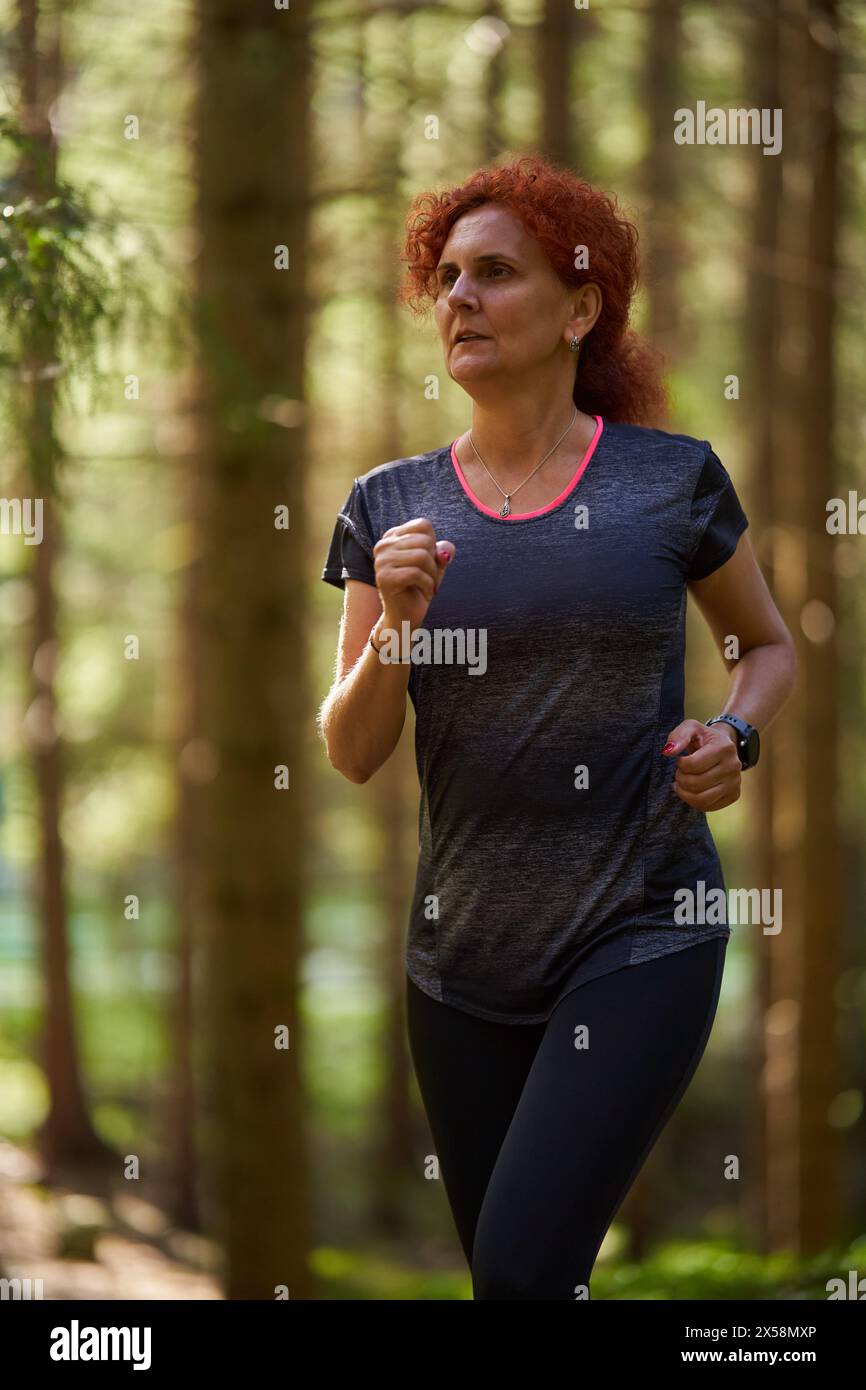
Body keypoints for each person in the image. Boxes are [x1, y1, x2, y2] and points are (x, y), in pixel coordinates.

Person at [317, 154, 797, 1300]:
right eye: (443, 277)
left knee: (528, 1268)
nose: (457, 299)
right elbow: (349, 748)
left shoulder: (667, 482)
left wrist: (735, 736)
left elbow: (767, 645)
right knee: (515, 1286)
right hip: (459, 964)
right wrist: (396, 625)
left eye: (493, 272)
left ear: (580, 305)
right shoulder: (388, 507)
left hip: (639, 930)